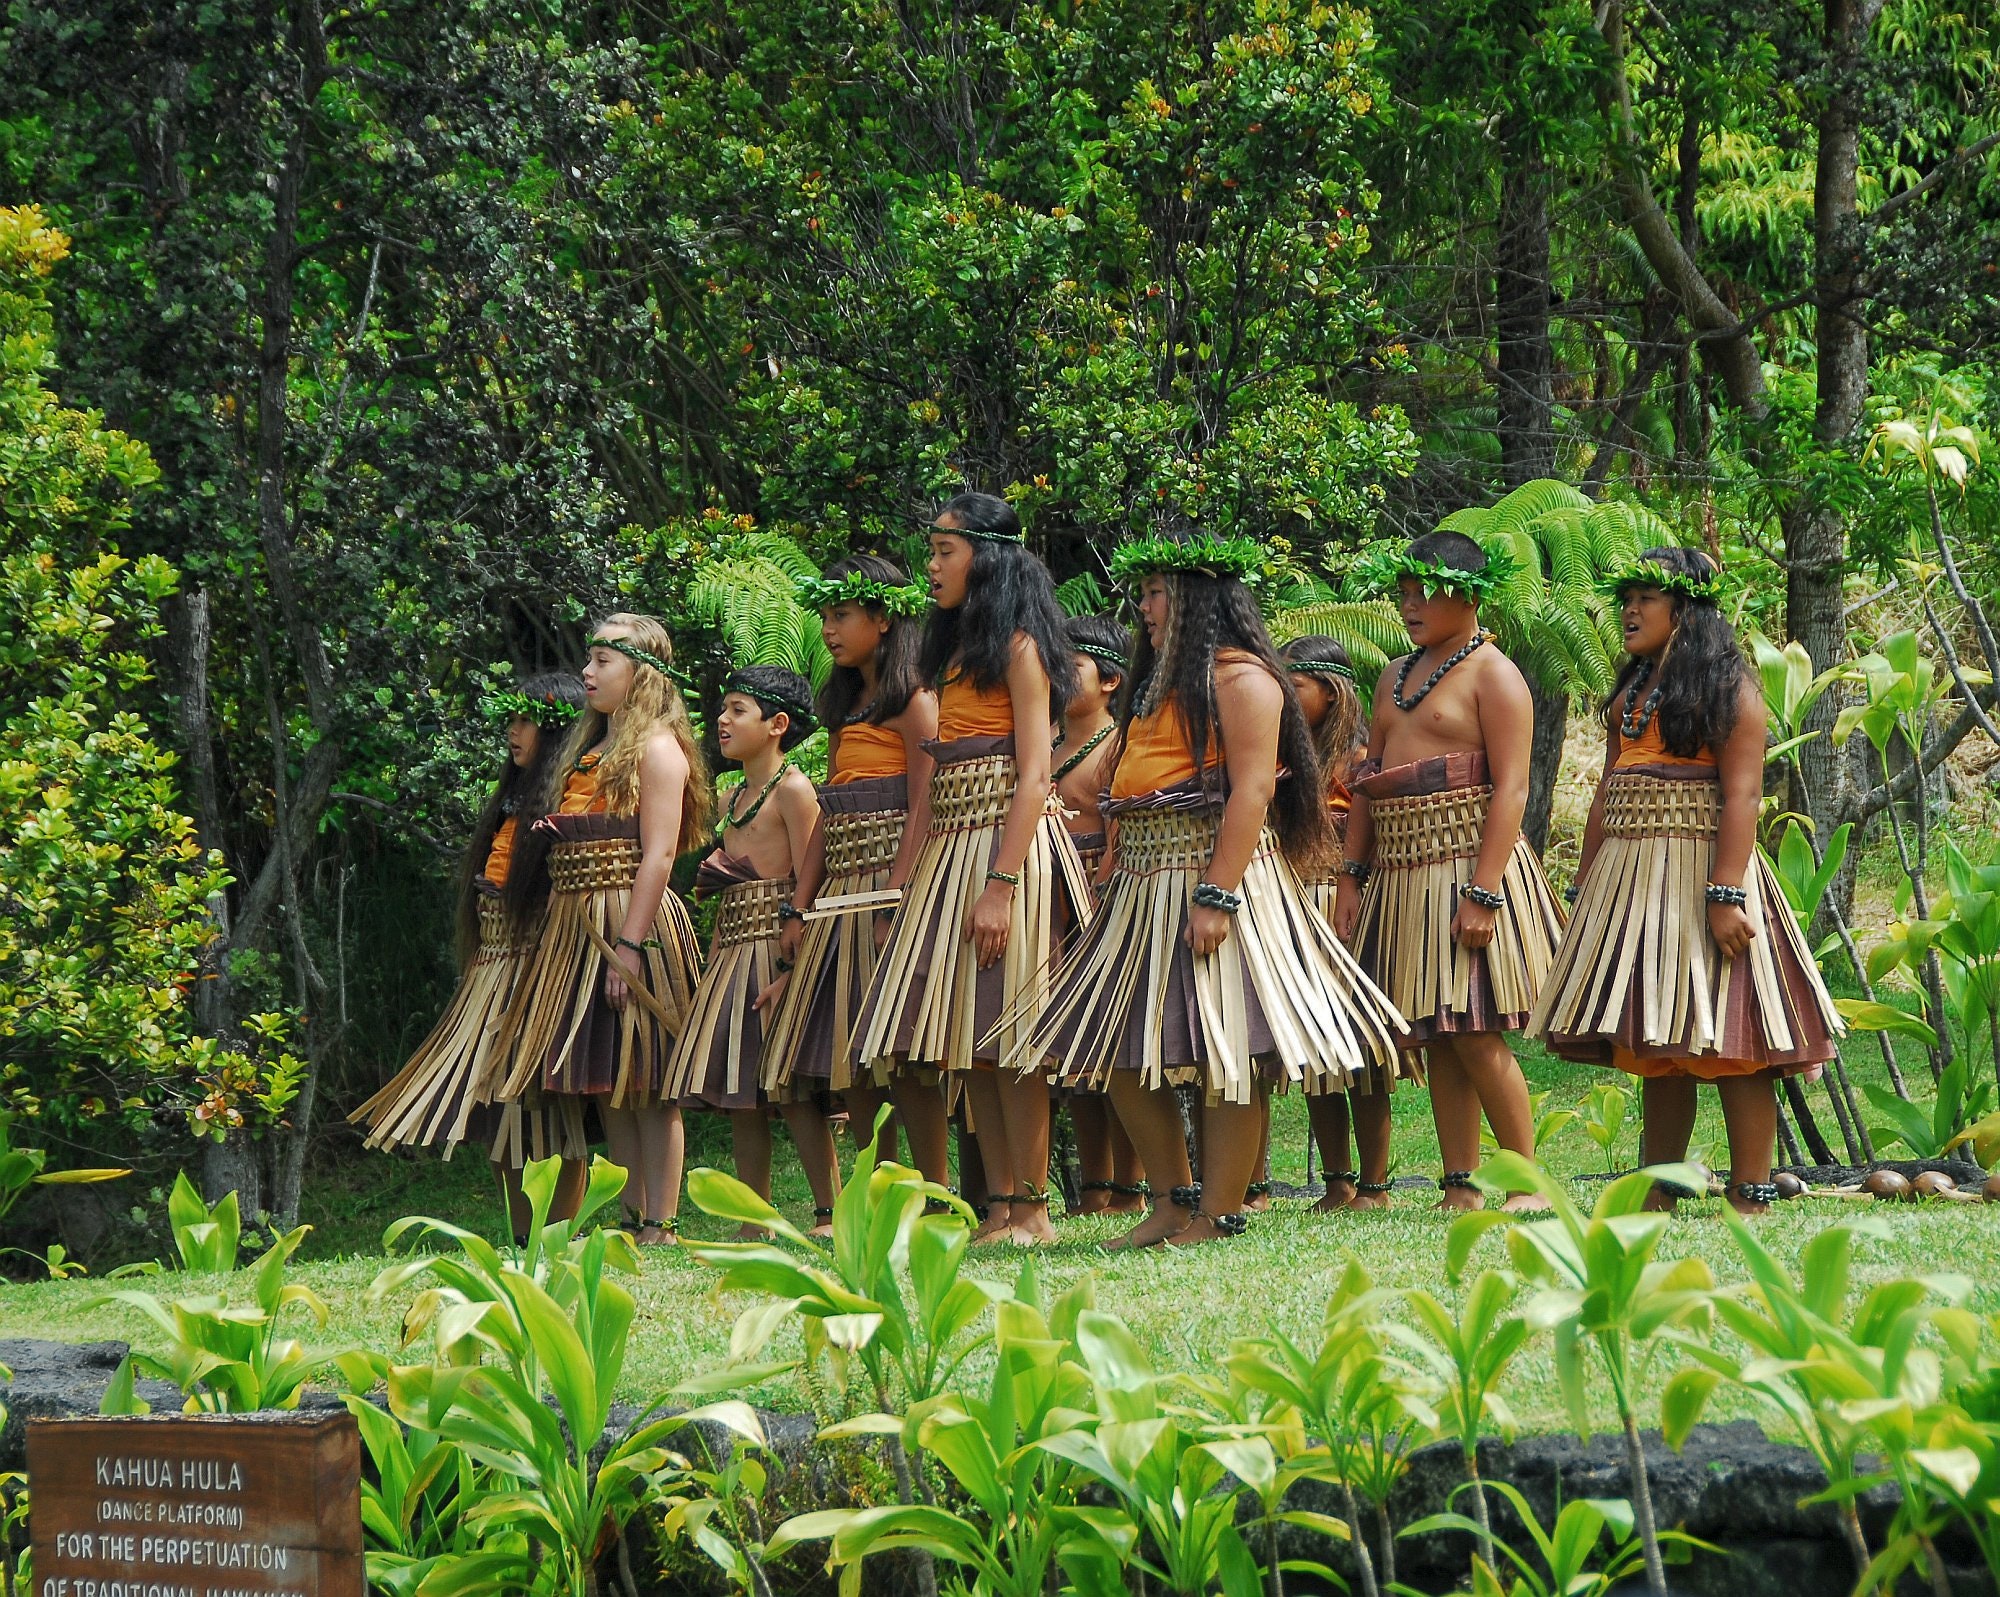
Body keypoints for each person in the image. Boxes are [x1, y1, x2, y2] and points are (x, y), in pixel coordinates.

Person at [1018, 527, 1406, 1247]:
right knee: (1124, 1047)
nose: (1146, 607)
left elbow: (1255, 786)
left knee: (1233, 1052)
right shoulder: (1153, 683)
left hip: (1218, 881)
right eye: (1142, 593)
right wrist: (1111, 873)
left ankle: (1220, 1209)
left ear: (1201, 597)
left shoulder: (1241, 677)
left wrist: (1218, 894)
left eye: (1159, 592)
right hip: (1141, 881)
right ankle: (1171, 1200)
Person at [1529, 548, 1841, 1214]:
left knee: (1734, 1044)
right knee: (1657, 1042)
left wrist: (1726, 894)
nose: (1630, 610)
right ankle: (1659, 1186)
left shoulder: (1732, 688)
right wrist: (1585, 889)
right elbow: (1609, 791)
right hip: (1635, 884)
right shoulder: (1632, 695)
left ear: (1687, 609)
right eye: (1626, 597)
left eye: (1647, 597)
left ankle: (1751, 1188)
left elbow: (1743, 794)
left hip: (1704, 878)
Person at [850, 491, 1092, 1245]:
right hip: (953, 846)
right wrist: (906, 881)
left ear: (985, 557)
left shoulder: (1020, 647)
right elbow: (932, 780)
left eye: (943, 551)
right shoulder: (953, 655)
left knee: (1014, 1033)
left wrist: (1001, 885)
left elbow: (1033, 775)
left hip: (1003, 848)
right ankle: (1000, 1208)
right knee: (974, 1039)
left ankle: (1036, 1210)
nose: (931, 565)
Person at [1332, 531, 1565, 1213]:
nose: (1408, 604)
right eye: (1402, 593)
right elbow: (1369, 783)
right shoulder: (1393, 675)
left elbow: (1514, 790)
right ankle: (1460, 1184)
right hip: (1403, 871)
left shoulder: (1495, 674)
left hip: (1467, 863)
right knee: (1436, 1032)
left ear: (1467, 594)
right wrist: (1351, 875)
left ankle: (1525, 1180)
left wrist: (1484, 890)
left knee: (1474, 1026)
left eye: (1422, 592)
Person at [351, 673, 587, 1235]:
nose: (514, 730)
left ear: (556, 731)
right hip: (492, 967)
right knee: (498, 1103)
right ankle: (523, 1234)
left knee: (555, 1108)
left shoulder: (564, 800)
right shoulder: (512, 799)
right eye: (511, 719)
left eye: (526, 720)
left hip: (538, 968)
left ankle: (564, 1230)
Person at [498, 615, 706, 1244]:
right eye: (588, 661)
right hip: (576, 920)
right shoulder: (589, 750)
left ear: (640, 673)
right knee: (609, 1078)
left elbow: (661, 855)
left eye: (601, 662)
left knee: (649, 1077)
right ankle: (631, 1215)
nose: (587, 673)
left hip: (625, 919)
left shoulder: (657, 748)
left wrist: (632, 946)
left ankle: (662, 1222)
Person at [761, 557, 947, 1176]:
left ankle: (931, 1190)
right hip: (841, 884)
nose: (828, 630)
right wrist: (800, 904)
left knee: (906, 1051)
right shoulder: (846, 707)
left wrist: (895, 897)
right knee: (852, 1050)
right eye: (824, 617)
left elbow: (925, 804)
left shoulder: (916, 700)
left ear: (884, 617)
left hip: (895, 884)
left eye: (840, 616)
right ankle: (875, 1189)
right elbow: (828, 814)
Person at [664, 666, 840, 1235]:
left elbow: (814, 869)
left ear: (777, 724)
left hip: (778, 947)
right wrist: (713, 961)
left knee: (787, 1090)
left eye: (738, 709)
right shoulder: (728, 796)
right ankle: (753, 1217)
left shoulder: (792, 788)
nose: (722, 719)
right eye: (723, 708)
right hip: (733, 950)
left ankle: (828, 1209)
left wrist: (796, 959)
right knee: (741, 1093)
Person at [1281, 636, 1395, 1213]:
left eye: (1294, 684)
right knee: (1316, 1058)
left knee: (1365, 1051)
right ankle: (1336, 1182)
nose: (1282, 693)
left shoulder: (1357, 761)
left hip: (1348, 906)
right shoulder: (1281, 758)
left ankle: (1373, 1185)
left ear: (1330, 690)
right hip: (1297, 906)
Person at [1058, 615, 1147, 1216]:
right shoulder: (1043, 740)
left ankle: (1130, 1183)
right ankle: (1093, 1183)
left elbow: (1121, 819)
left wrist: (1109, 871)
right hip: (1053, 896)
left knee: (1115, 1039)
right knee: (1069, 1049)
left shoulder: (1119, 744)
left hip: (1101, 895)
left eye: (1073, 666)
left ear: (1111, 680)